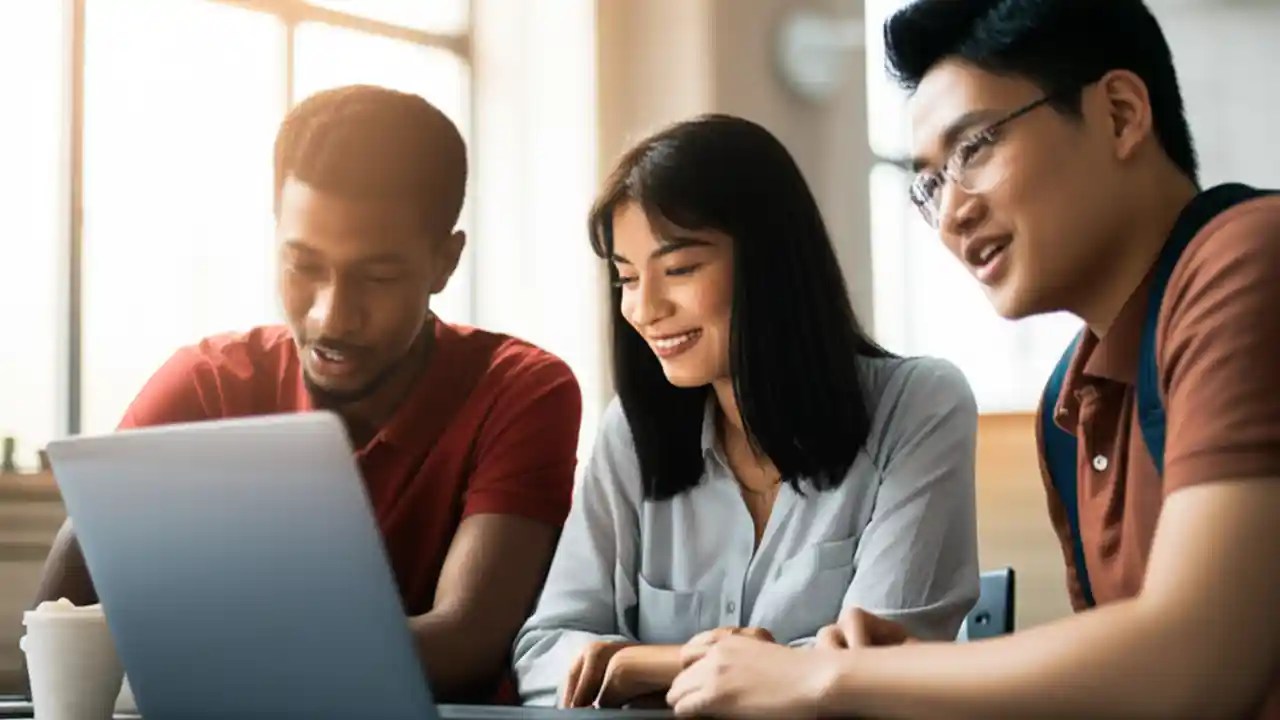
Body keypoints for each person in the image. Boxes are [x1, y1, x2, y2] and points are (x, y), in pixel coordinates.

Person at [666, 2, 1280, 718]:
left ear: (1118, 113)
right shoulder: (1070, 408)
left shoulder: (1244, 259)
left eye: (976, 147)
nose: (951, 213)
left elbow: (1196, 666)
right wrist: (914, 674)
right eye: (928, 184)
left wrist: (817, 679)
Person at [32, 85, 583, 704]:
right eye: (302, 266)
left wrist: (208, 653)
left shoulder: (521, 390)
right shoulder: (209, 382)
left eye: (377, 277)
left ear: (444, 263)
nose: (330, 318)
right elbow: (79, 575)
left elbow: (463, 641)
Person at [512, 114, 979, 709]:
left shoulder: (919, 406)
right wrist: (680, 661)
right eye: (627, 278)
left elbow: (873, 674)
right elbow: (543, 654)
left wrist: (641, 670)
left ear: (771, 264)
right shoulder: (632, 434)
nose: (645, 307)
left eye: (679, 269)